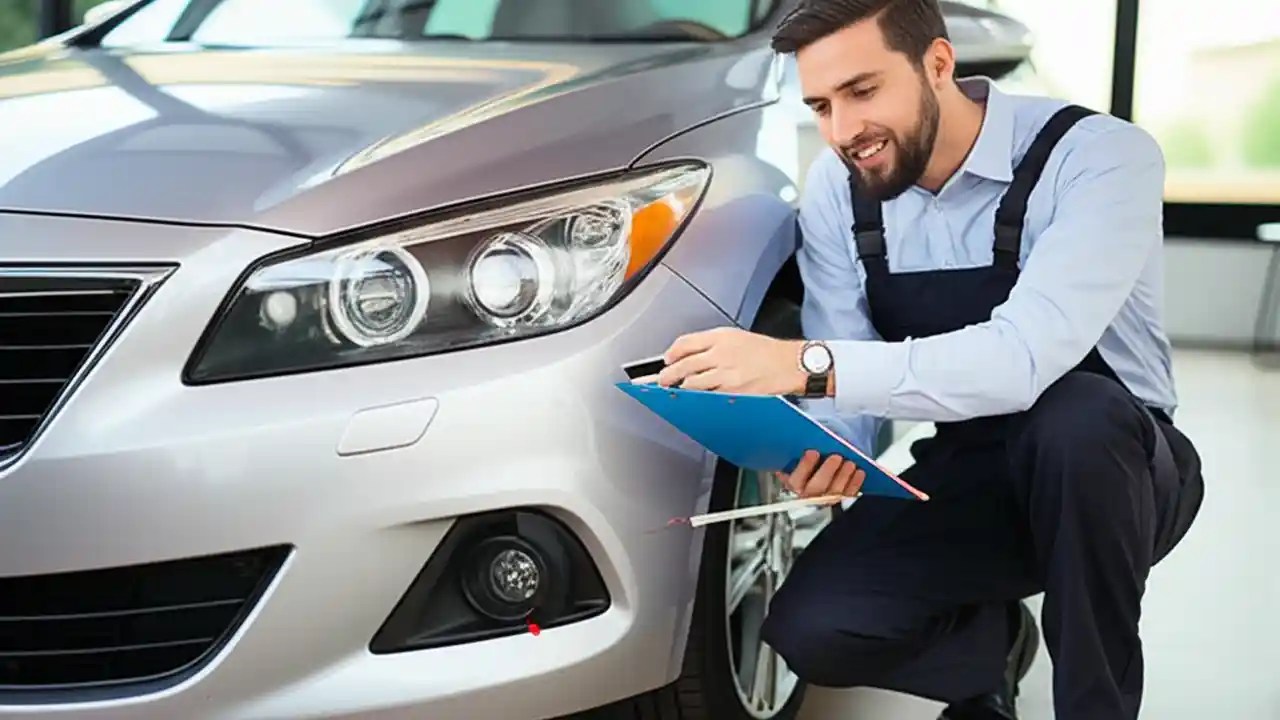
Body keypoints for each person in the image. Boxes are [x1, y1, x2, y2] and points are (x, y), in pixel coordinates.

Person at [653, 1, 1206, 718]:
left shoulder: (1098, 157)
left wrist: (801, 364)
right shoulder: (838, 190)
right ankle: (991, 650)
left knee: (1078, 421)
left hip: (1120, 474)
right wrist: (831, 452)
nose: (844, 131)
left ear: (938, 65)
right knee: (812, 628)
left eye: (863, 91)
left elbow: (1022, 359)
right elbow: (846, 365)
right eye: (821, 105)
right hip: (971, 466)